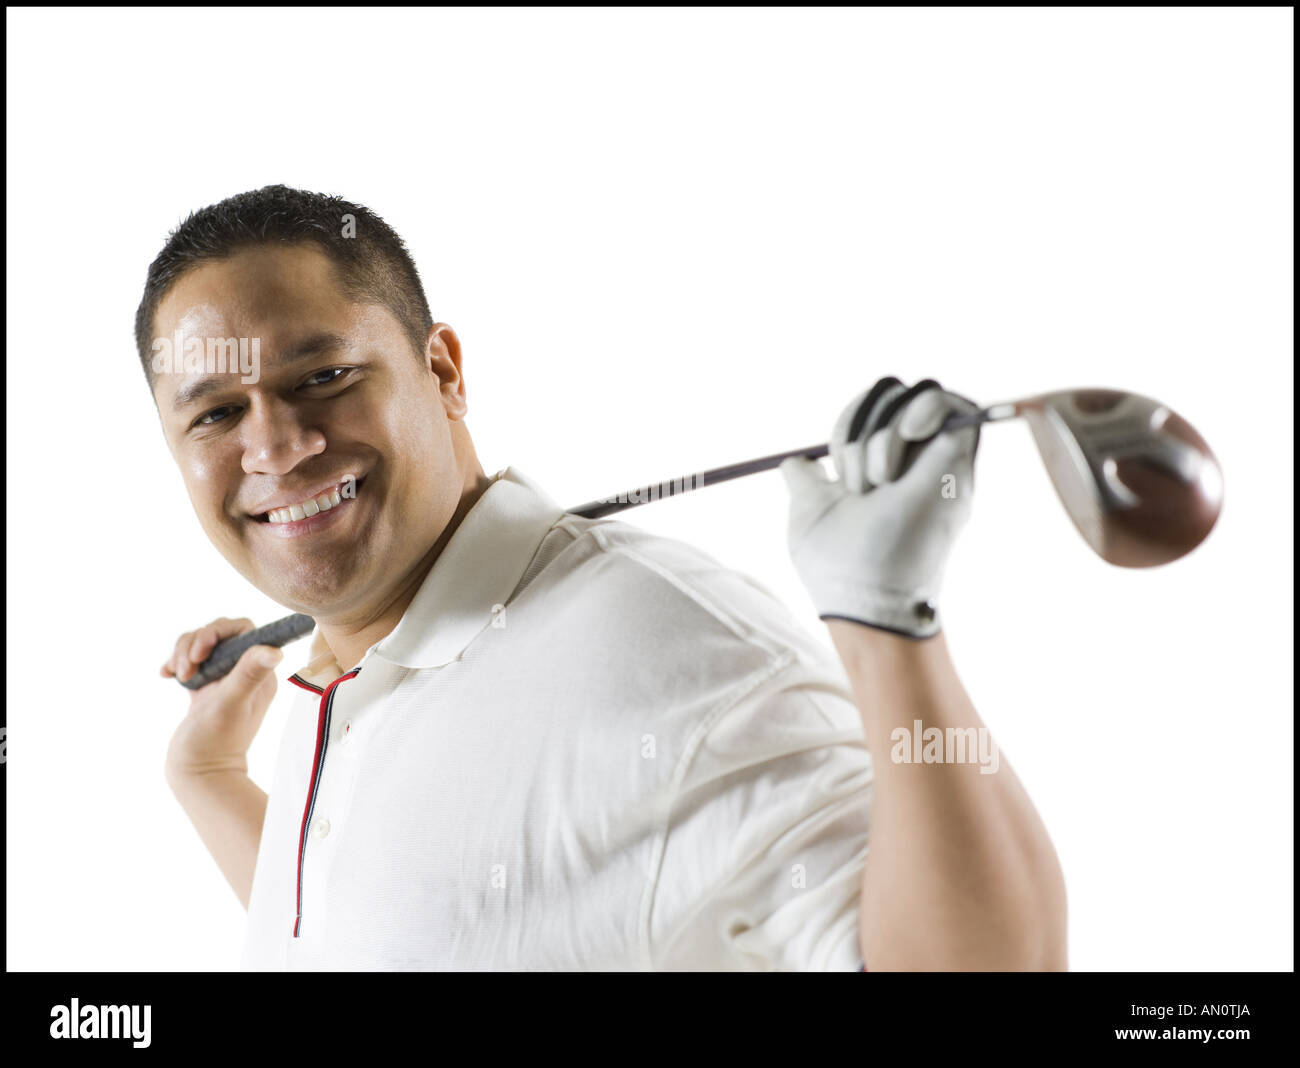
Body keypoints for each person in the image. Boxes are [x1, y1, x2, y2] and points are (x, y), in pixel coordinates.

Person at [142, 185, 1066, 971]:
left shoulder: (657, 646)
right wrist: (213, 776)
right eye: (218, 413)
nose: (275, 447)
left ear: (443, 371)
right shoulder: (347, 669)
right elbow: (371, 930)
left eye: (324, 376)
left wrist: (888, 630)